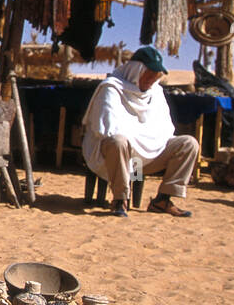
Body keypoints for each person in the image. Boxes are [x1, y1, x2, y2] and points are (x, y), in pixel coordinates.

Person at [82, 45, 199, 217]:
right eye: (149, 74)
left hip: (143, 157)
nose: (152, 79)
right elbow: (109, 129)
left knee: (189, 144)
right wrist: (137, 141)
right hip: (113, 156)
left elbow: (165, 128)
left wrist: (145, 142)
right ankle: (120, 199)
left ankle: (162, 200)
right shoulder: (112, 88)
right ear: (136, 71)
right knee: (118, 141)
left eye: (155, 75)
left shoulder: (155, 92)